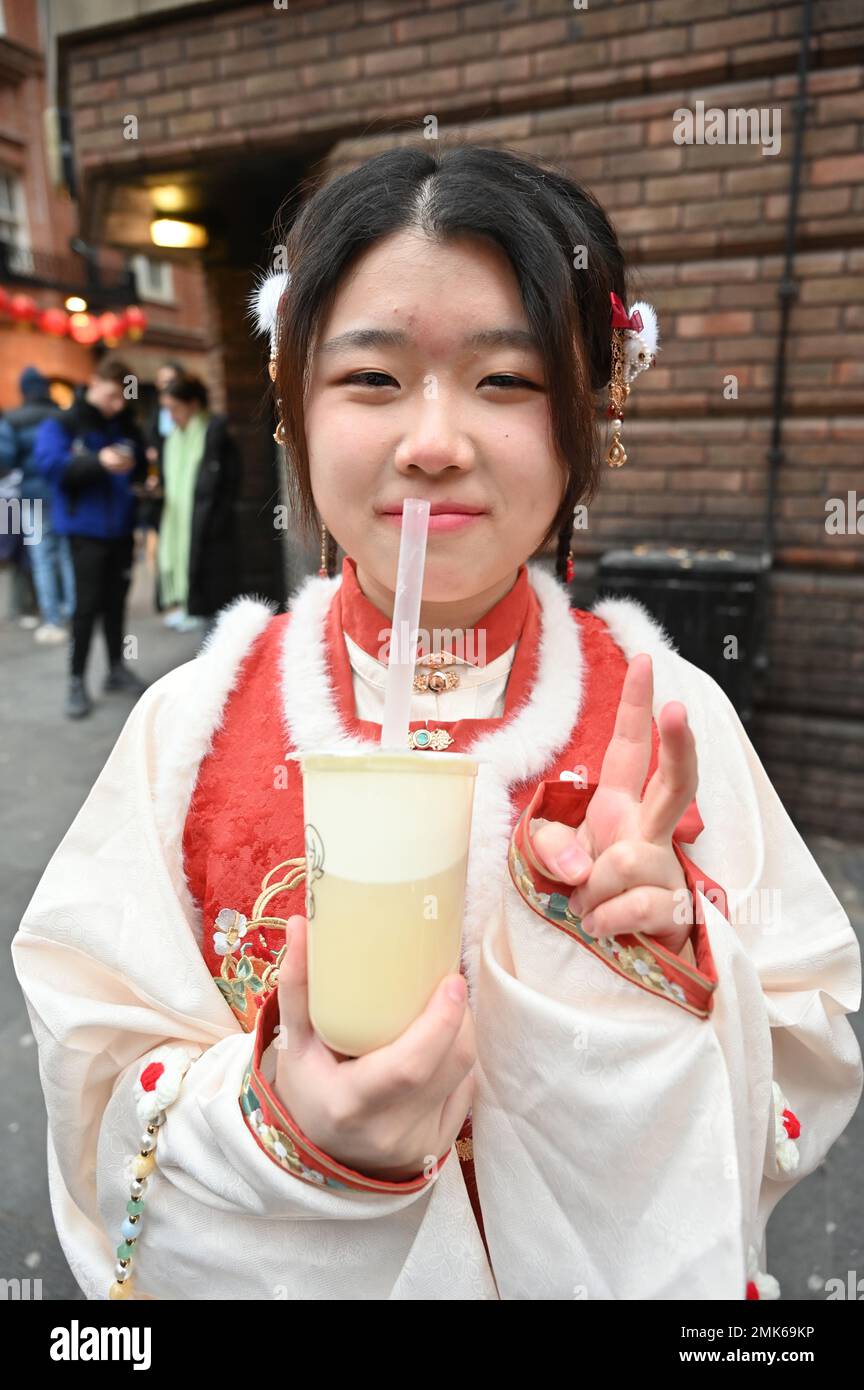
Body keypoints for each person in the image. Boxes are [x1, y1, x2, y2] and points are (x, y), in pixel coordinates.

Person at [11, 145, 861, 1302]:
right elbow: (97, 1063)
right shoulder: (194, 723)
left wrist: (652, 968)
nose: (433, 440)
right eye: (371, 378)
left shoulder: (664, 714)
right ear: (295, 407)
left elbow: (807, 1036)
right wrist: (287, 1137)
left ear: (588, 420)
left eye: (506, 382)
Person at [32, 356, 150, 718]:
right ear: (94, 382)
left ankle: (116, 668)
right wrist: (99, 462)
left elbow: (142, 466)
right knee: (84, 609)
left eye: (122, 399)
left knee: (116, 604)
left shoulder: (124, 424)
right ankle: (76, 679)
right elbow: (50, 467)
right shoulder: (64, 423)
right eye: (113, 396)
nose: (117, 405)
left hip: (121, 529)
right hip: (84, 532)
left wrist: (134, 460)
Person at [156, 373, 242, 634]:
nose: (170, 416)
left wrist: (215, 521)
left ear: (193, 404)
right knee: (204, 600)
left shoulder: (214, 434)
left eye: (174, 408)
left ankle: (218, 661)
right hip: (183, 525)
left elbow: (231, 482)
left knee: (215, 603)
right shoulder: (174, 440)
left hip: (209, 530)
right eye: (166, 410)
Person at [0, 367, 68, 635]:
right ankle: (70, 607)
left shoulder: (13, 419)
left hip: (31, 498)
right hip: (62, 494)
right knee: (64, 554)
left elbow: (5, 458)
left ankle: (52, 618)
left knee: (40, 557)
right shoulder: (60, 415)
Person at [137, 360, 183, 594]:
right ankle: (166, 595)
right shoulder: (156, 414)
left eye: (171, 381)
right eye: (162, 381)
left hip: (179, 481)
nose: (165, 386)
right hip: (161, 482)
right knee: (158, 541)